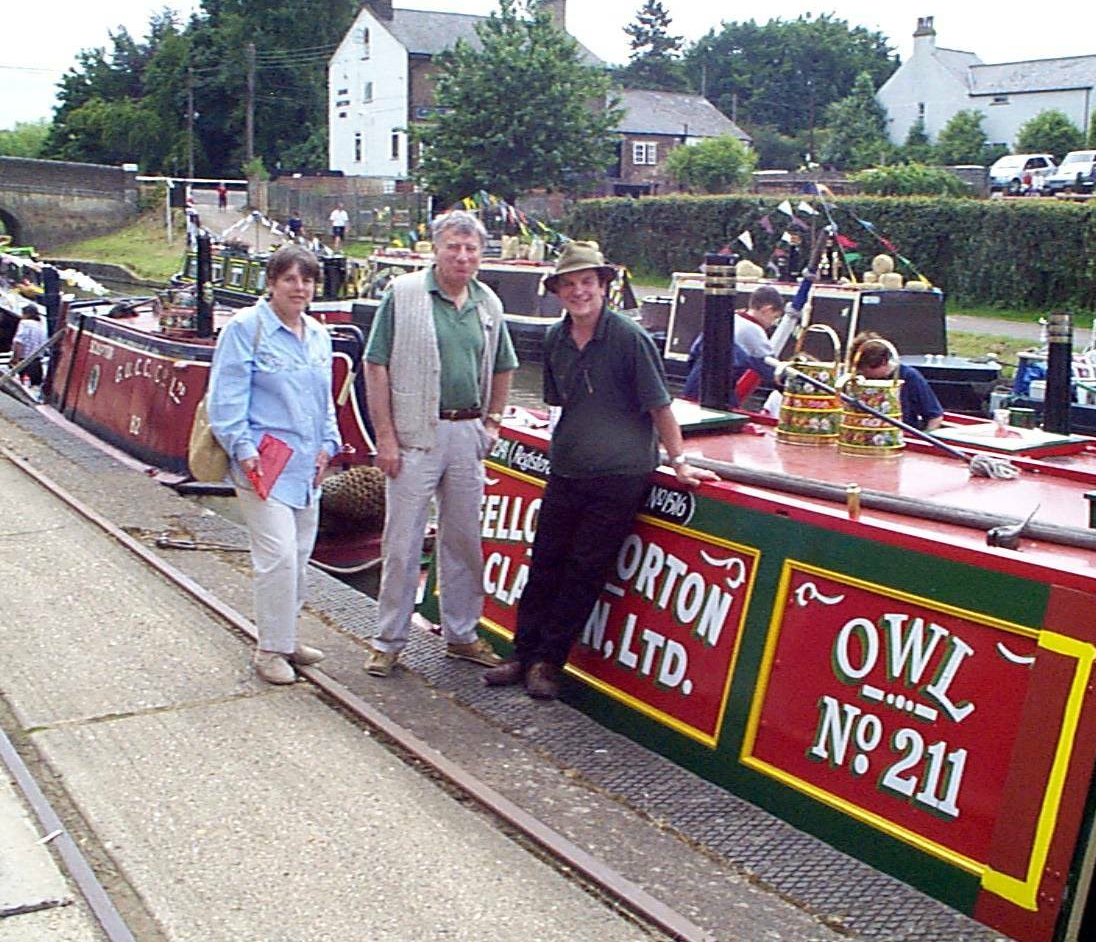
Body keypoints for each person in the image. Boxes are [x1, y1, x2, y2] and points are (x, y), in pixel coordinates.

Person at [484, 241, 715, 700]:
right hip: (568, 467)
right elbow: (559, 404)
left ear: (604, 286)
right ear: (558, 293)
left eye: (587, 282)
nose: (579, 292)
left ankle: (549, 662)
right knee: (545, 561)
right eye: (569, 285)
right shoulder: (555, 339)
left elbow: (660, 407)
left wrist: (680, 460)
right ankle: (522, 653)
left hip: (619, 475)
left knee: (584, 569)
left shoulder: (630, 338)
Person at [362, 210, 517, 677]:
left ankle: (461, 634)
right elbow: (375, 365)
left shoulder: (488, 303)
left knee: (465, 540)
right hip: (414, 437)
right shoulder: (403, 295)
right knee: (402, 542)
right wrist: (385, 437)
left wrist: (492, 422)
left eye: (471, 249)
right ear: (435, 249)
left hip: (467, 433)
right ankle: (388, 640)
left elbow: (503, 366)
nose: (463, 256)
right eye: (454, 246)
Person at [206, 245, 340, 685]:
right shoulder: (246, 330)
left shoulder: (319, 335)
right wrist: (244, 452)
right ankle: (268, 650)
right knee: (277, 556)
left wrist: (329, 445)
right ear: (271, 282)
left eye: (307, 280)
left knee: (299, 557)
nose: (300, 288)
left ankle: (286, 637)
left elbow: (326, 401)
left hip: (307, 466)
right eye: (290, 279)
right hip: (263, 464)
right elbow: (226, 400)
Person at [680, 285, 786, 407]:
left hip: (693, 385)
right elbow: (770, 371)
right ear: (767, 309)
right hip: (718, 392)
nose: (772, 324)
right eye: (775, 318)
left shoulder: (727, 319)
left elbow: (694, 352)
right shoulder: (753, 331)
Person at [849, 331, 944, 432]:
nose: (861, 373)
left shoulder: (909, 376)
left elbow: (934, 416)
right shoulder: (854, 376)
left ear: (883, 362)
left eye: (864, 369)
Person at [11, 303, 48, 391]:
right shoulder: (42, 325)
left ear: (26, 314)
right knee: (35, 386)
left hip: (25, 360)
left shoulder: (25, 323)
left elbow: (19, 342)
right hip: (37, 362)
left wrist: (15, 358)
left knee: (20, 387)